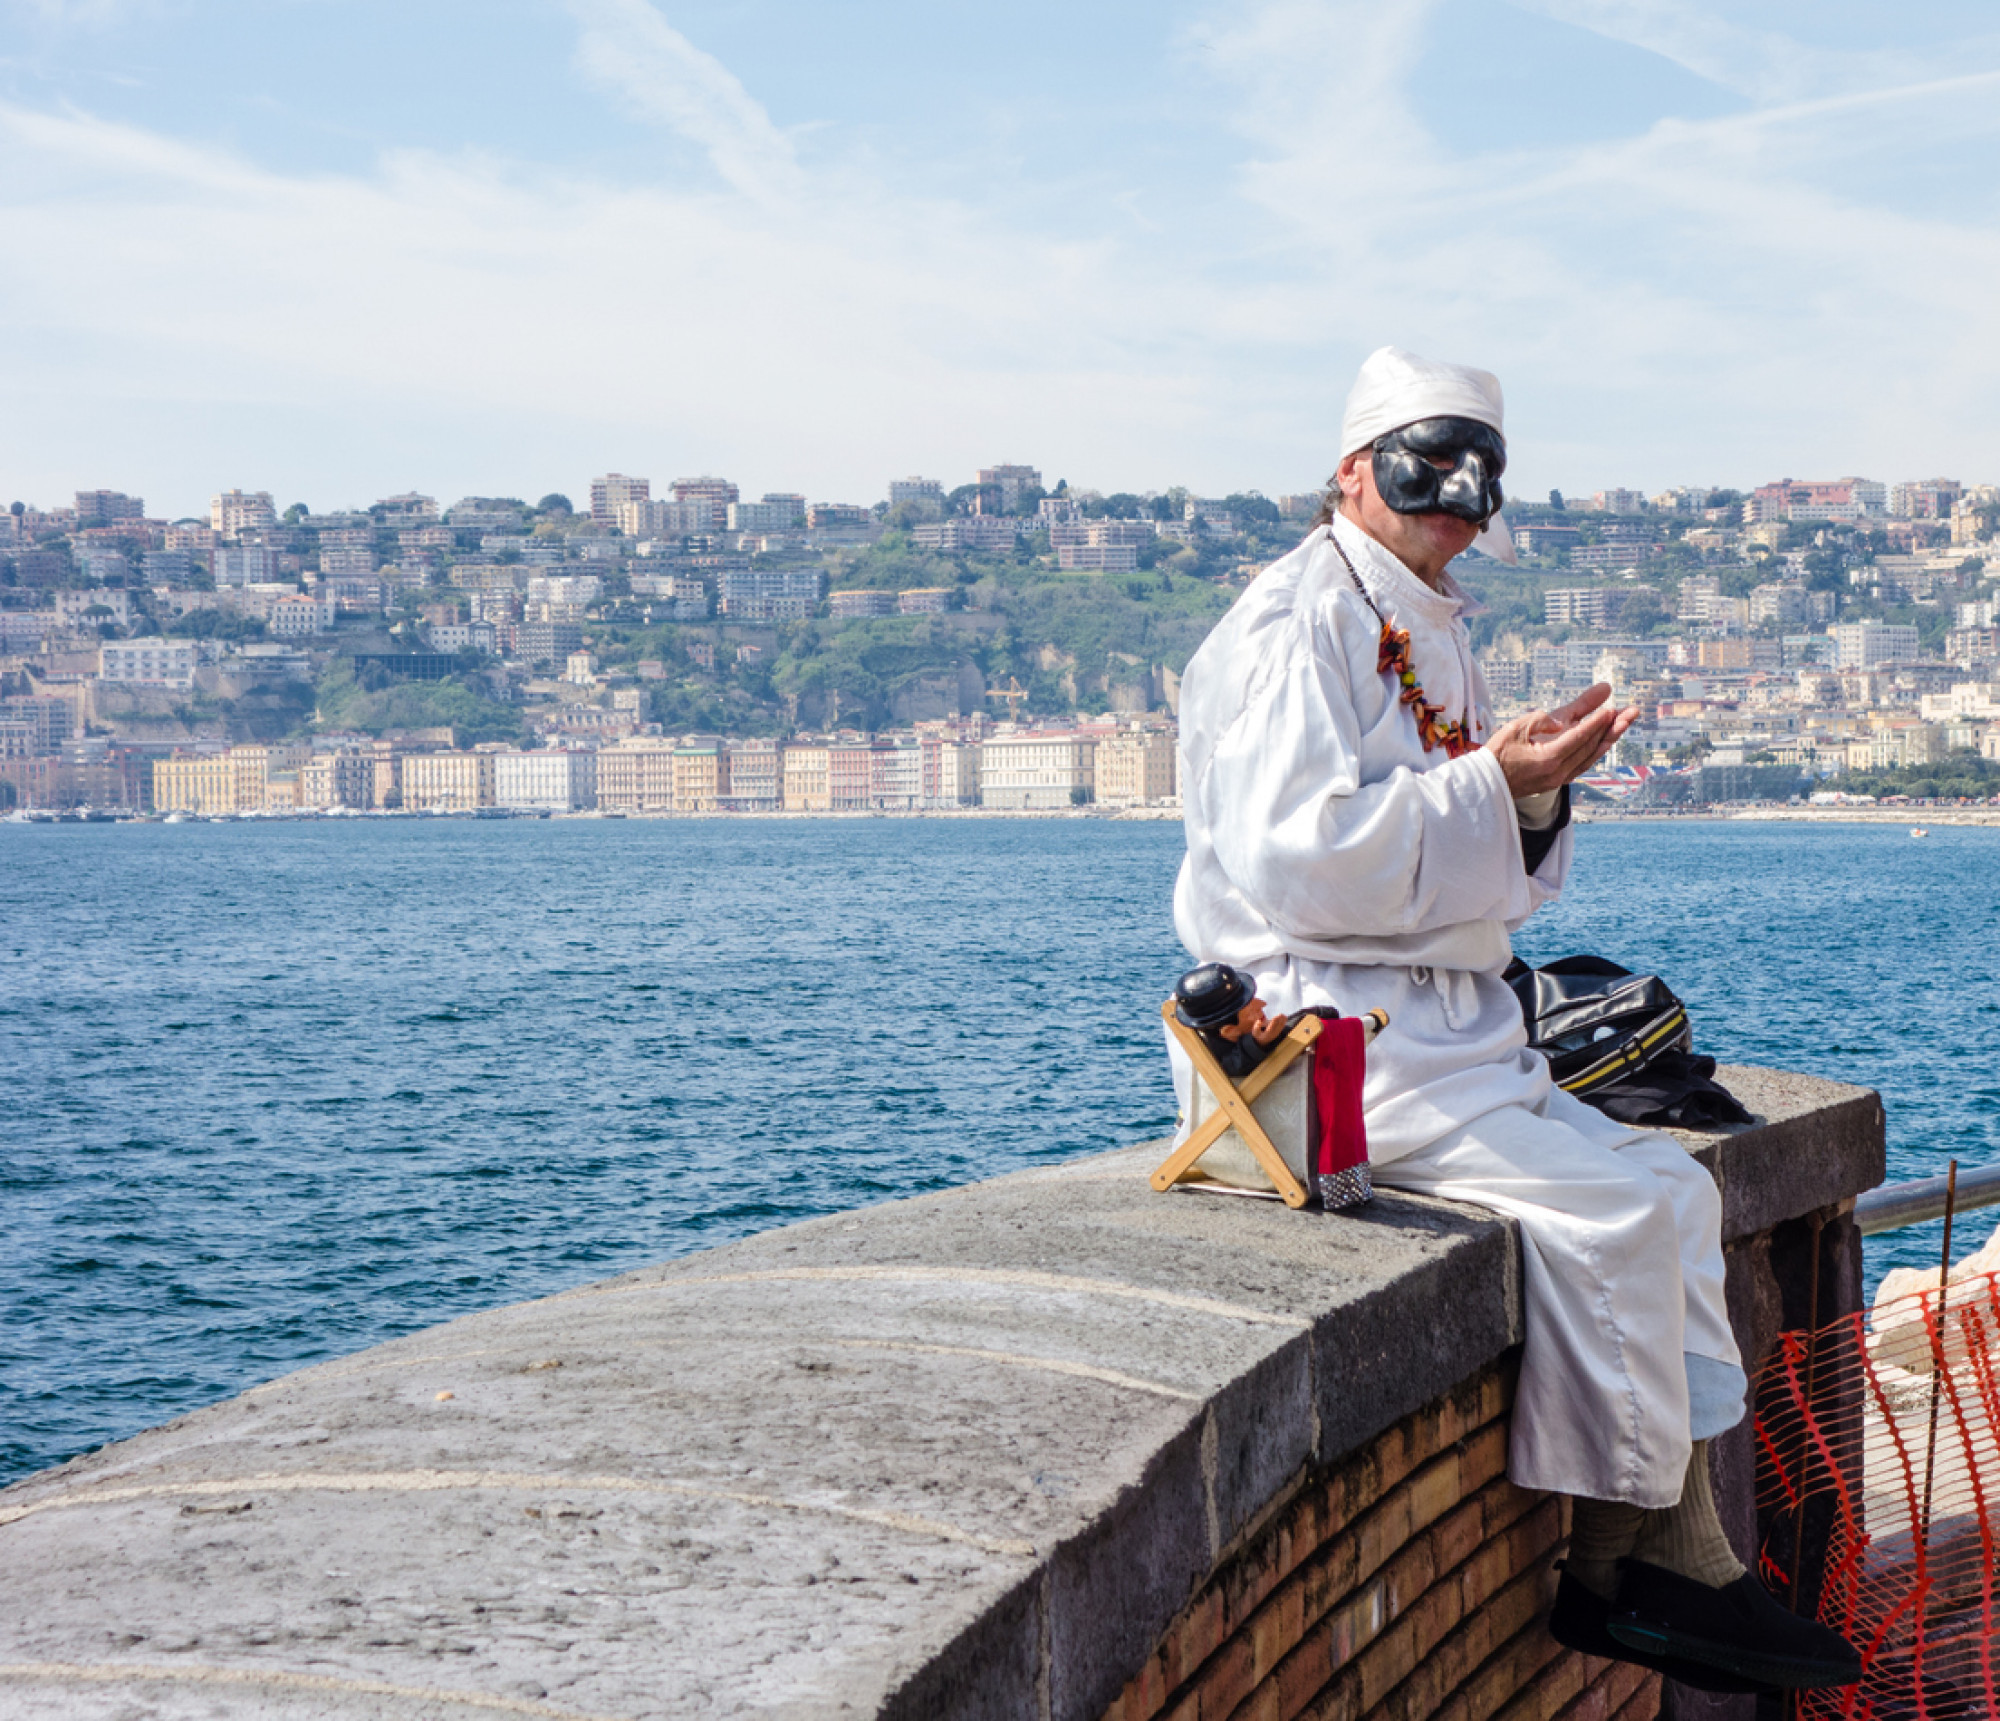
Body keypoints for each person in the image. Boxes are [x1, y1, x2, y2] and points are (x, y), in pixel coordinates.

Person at [1168, 346, 1860, 1694]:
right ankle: (1622, 1575)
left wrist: (1528, 794)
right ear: (1353, 468)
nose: (1460, 498)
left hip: (1448, 1038)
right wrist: (1495, 783)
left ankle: (1671, 1549)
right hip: (1330, 1047)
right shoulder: (1290, 624)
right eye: (1431, 463)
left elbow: (1485, 868)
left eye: (1483, 475)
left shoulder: (1431, 624)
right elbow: (1294, 860)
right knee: (1609, 1212)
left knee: (1666, 1183)